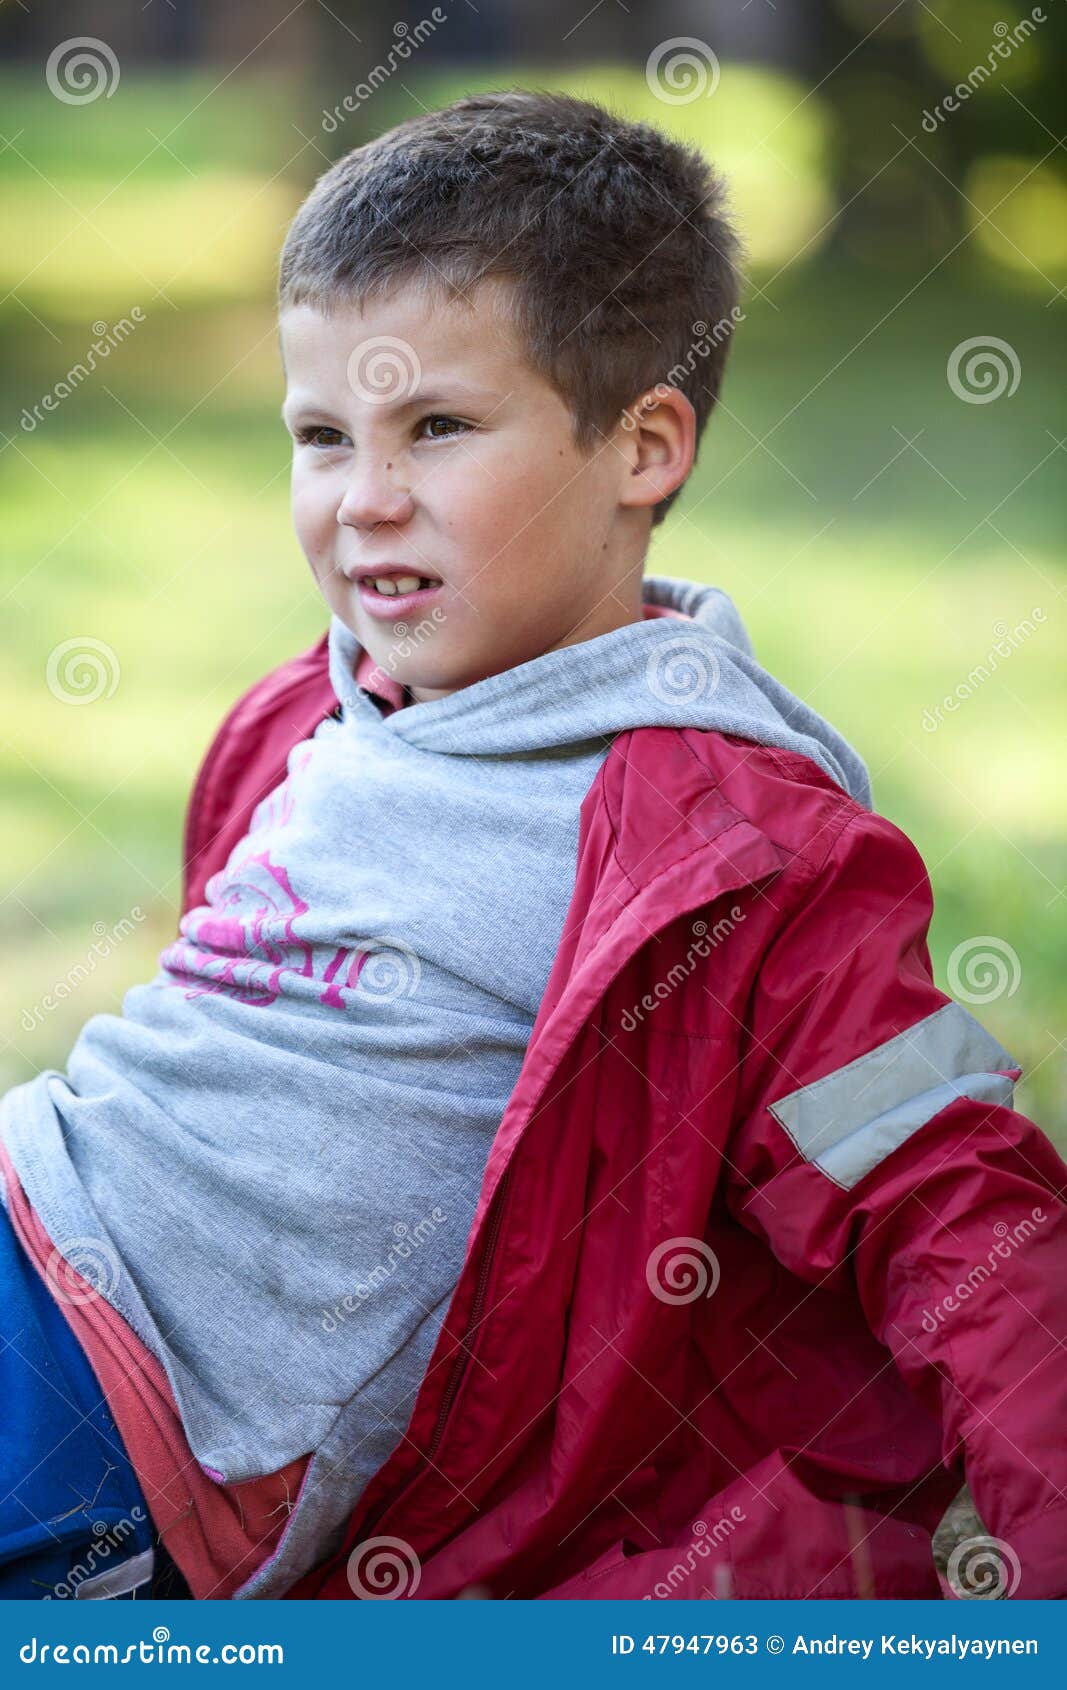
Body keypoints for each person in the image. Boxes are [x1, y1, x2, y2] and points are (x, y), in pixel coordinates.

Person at [2, 90, 1064, 1603]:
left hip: (122, 1415)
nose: (364, 500)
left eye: (436, 428)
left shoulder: (746, 853)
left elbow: (963, 1212)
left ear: (641, 444)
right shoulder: (308, 715)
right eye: (322, 434)